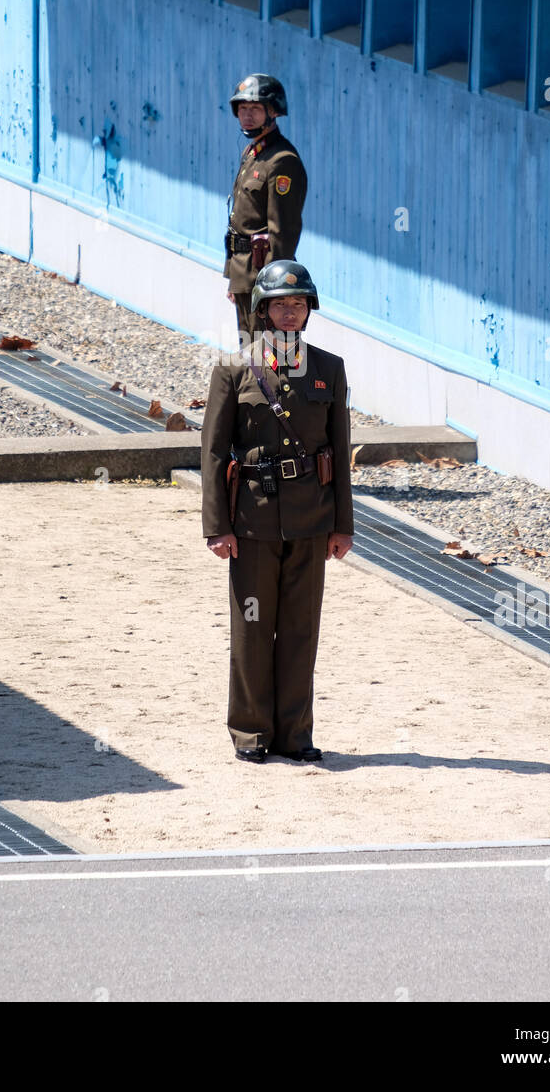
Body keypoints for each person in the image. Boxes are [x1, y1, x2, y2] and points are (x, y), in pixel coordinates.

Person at [201, 259, 354, 763]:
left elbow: (340, 448)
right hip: (254, 521)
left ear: (309, 311)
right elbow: (213, 453)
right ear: (262, 311)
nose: (290, 313)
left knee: (299, 630)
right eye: (279, 305)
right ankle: (250, 733)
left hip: (311, 519)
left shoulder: (329, 369)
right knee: (252, 627)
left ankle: (295, 735)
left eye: (299, 304)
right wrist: (217, 526)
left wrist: (342, 526)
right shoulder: (232, 370)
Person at [224, 74, 307, 341]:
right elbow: (238, 220)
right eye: (242, 109)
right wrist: (232, 277)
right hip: (243, 272)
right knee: (248, 350)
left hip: (262, 276)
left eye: (255, 109)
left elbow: (283, 233)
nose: (247, 116)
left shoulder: (282, 161)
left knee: (266, 353)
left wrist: (273, 290)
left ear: (272, 112)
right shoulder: (253, 153)